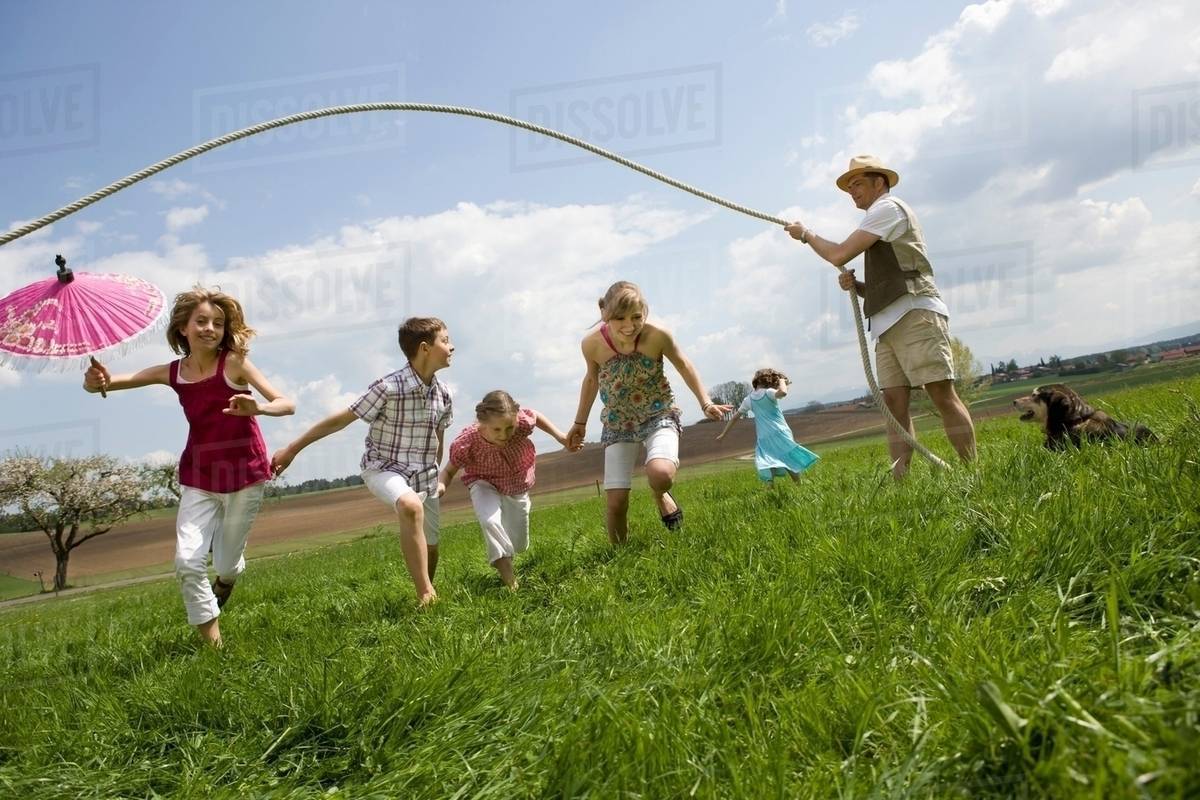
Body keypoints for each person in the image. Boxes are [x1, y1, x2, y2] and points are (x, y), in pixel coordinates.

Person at [83, 287, 294, 647]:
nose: (210, 328)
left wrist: (258, 407)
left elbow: (286, 404)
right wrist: (95, 382)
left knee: (226, 565)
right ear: (183, 327)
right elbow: (110, 383)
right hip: (200, 475)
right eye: (201, 321)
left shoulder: (234, 363)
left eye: (218, 323)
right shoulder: (173, 372)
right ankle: (214, 646)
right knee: (187, 560)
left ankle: (227, 577)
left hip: (245, 474)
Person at [785, 154, 976, 479]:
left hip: (915, 312)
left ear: (879, 183)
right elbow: (887, 280)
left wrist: (807, 234)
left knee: (941, 394)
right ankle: (900, 483)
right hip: (886, 324)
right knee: (894, 405)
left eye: (857, 183)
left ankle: (973, 474)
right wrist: (860, 287)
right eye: (849, 187)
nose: (852, 191)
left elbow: (839, 253)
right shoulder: (876, 219)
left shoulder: (888, 208)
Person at [271, 317, 453, 606]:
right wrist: (292, 449)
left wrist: (435, 477)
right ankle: (426, 595)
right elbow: (341, 420)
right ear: (425, 348)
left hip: (425, 476)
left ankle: (426, 592)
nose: (451, 347)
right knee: (409, 506)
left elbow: (438, 440)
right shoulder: (388, 387)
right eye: (445, 340)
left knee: (431, 544)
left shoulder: (443, 394)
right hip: (383, 468)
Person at [566, 281, 731, 544]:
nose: (629, 325)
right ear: (604, 313)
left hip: (658, 414)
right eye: (619, 318)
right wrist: (580, 423)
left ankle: (659, 493)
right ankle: (620, 558)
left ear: (644, 312)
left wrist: (706, 402)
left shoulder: (658, 336)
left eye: (636, 317)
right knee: (616, 502)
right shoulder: (591, 344)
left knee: (660, 474)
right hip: (618, 422)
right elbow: (591, 380)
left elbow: (684, 365)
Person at [439, 390, 569, 590]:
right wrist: (441, 485)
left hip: (515, 484)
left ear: (516, 420)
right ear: (482, 423)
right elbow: (448, 471)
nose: (504, 435)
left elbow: (535, 415)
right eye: (497, 429)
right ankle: (511, 583)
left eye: (509, 428)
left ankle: (510, 553)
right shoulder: (467, 443)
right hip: (483, 482)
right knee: (489, 521)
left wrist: (561, 437)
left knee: (519, 545)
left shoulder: (522, 424)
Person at [715, 368, 818, 486]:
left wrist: (723, 434)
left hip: (764, 436)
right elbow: (783, 393)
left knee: (766, 461)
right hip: (781, 432)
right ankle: (799, 485)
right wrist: (782, 381)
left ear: (756, 382)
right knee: (788, 458)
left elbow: (734, 418)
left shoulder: (748, 400)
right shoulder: (769, 392)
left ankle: (770, 486)